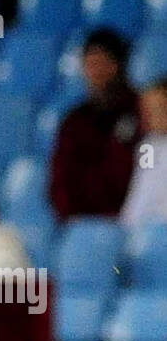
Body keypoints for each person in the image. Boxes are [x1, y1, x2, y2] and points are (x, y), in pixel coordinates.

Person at [49, 28, 140, 221]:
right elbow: (60, 181)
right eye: (90, 64)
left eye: (103, 63)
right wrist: (74, 220)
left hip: (132, 220)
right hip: (81, 224)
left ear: (118, 65)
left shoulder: (141, 112)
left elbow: (149, 172)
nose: (96, 72)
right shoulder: (74, 122)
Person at [120, 76, 167, 228]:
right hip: (145, 229)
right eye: (147, 110)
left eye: (159, 108)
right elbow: (140, 189)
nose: (151, 117)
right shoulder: (148, 146)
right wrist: (126, 224)